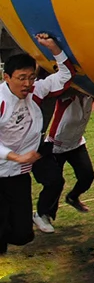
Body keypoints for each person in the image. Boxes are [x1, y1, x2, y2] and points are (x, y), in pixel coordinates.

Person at [0, 34, 72, 253]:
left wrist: (53, 48)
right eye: (21, 78)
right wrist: (15, 156)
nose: (27, 83)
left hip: (19, 174)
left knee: (23, 236)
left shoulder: (35, 92)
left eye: (31, 77)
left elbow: (66, 76)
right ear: (6, 77)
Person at [35, 88, 94, 221]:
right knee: (55, 183)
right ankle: (45, 214)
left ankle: (72, 197)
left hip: (76, 144)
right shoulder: (66, 97)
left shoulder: (90, 97)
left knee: (87, 175)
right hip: (57, 146)